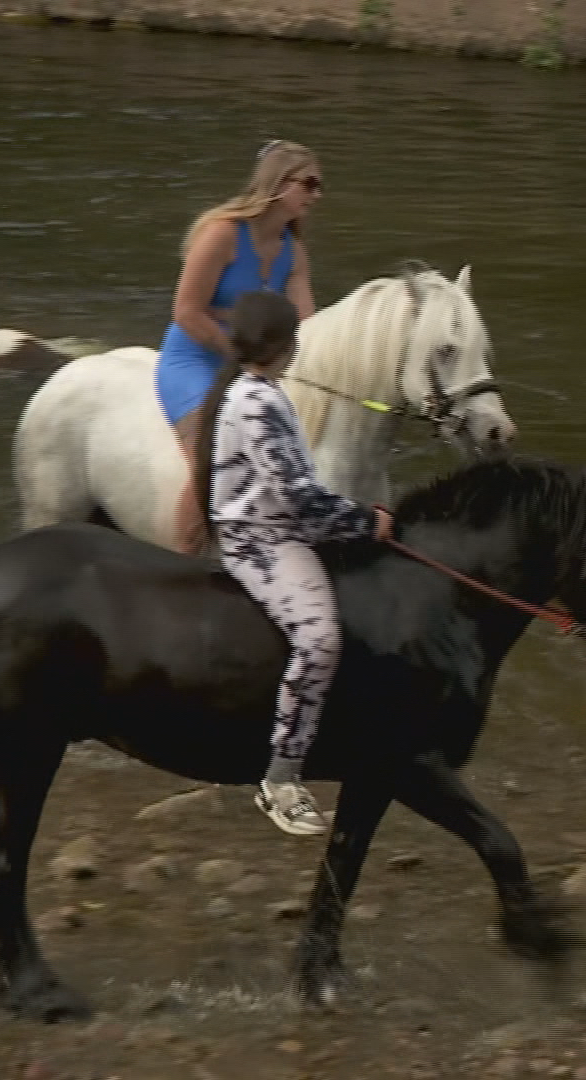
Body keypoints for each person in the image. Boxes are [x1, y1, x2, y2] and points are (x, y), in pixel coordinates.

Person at [199, 290, 394, 836]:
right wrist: (366, 522)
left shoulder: (265, 392)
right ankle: (280, 779)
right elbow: (299, 498)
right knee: (320, 640)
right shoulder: (257, 402)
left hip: (286, 526)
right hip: (261, 540)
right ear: (284, 346)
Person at [158, 139, 322, 554]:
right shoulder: (222, 234)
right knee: (210, 458)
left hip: (251, 368)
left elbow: (306, 328)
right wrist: (242, 353)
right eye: (309, 184)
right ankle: (184, 557)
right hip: (193, 361)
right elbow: (187, 312)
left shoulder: (294, 254)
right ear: (279, 184)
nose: (317, 195)